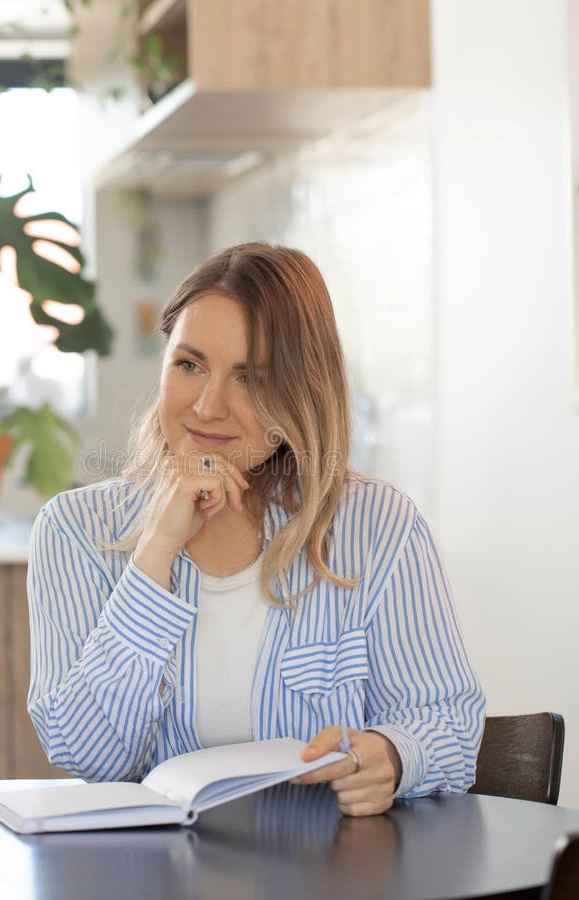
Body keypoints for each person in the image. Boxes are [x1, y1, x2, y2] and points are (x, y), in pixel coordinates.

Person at [27, 242, 485, 818]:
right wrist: (153, 556)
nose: (209, 406)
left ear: (301, 390)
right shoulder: (74, 530)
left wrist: (394, 755)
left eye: (251, 378)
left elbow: (450, 724)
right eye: (189, 365)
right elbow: (88, 753)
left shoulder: (379, 526)